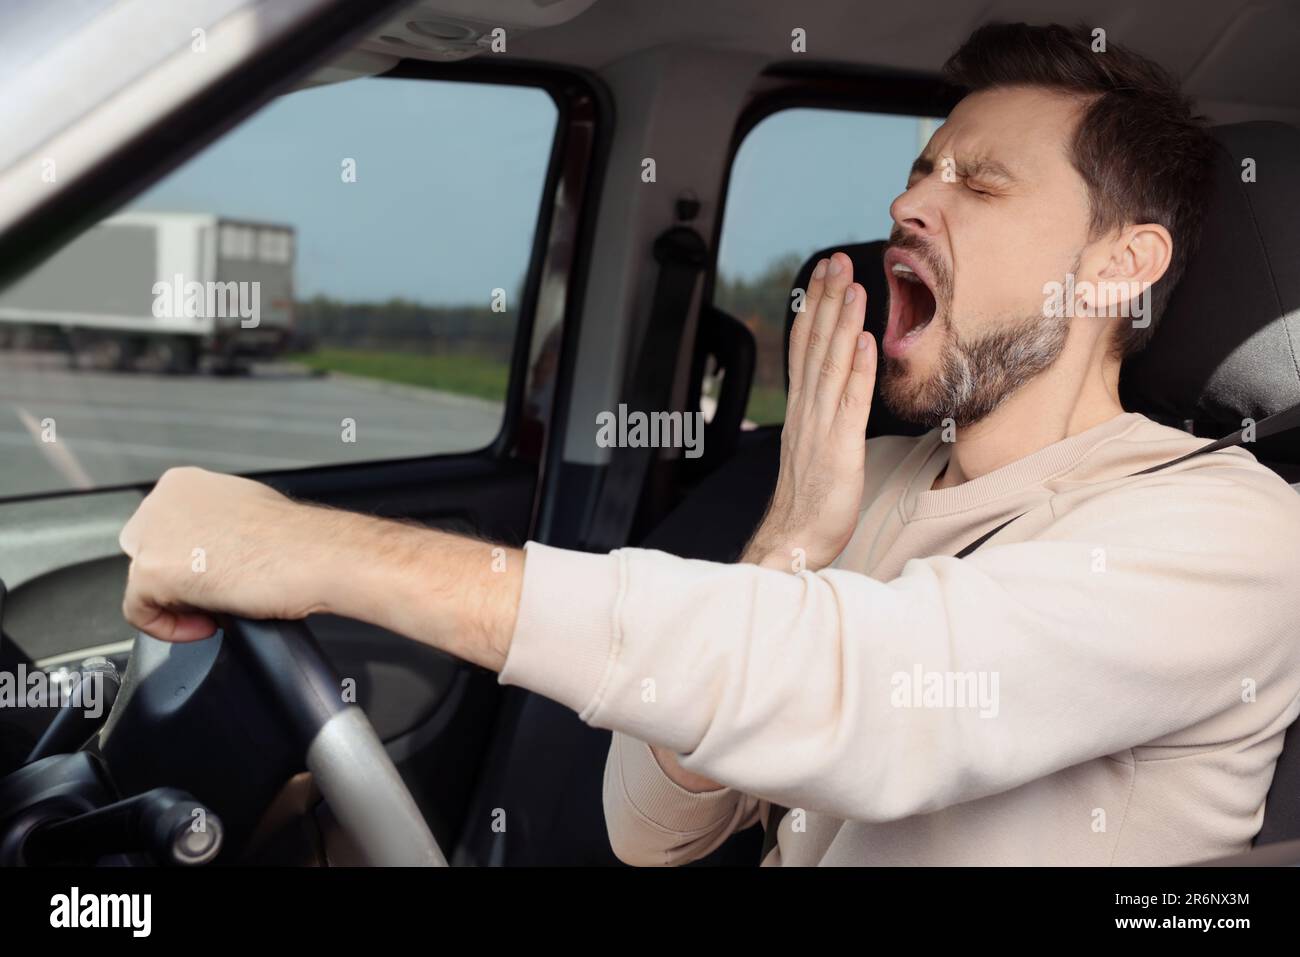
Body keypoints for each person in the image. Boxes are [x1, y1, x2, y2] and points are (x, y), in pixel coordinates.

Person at [118, 22, 1300, 865]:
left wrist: (311, 551)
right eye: (918, 170)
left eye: (980, 185)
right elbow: (650, 831)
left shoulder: (1228, 535)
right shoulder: (866, 476)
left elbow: (881, 698)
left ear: (1120, 267)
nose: (909, 205)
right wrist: (788, 539)